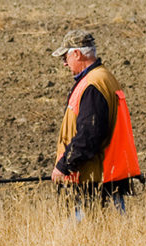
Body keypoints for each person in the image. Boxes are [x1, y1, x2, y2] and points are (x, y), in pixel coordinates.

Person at [49, 30, 141, 218]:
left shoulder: (92, 84)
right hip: (108, 175)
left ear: (77, 54)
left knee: (77, 238)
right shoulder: (104, 77)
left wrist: (64, 166)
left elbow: (89, 133)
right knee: (117, 237)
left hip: (95, 179)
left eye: (65, 57)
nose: (65, 63)